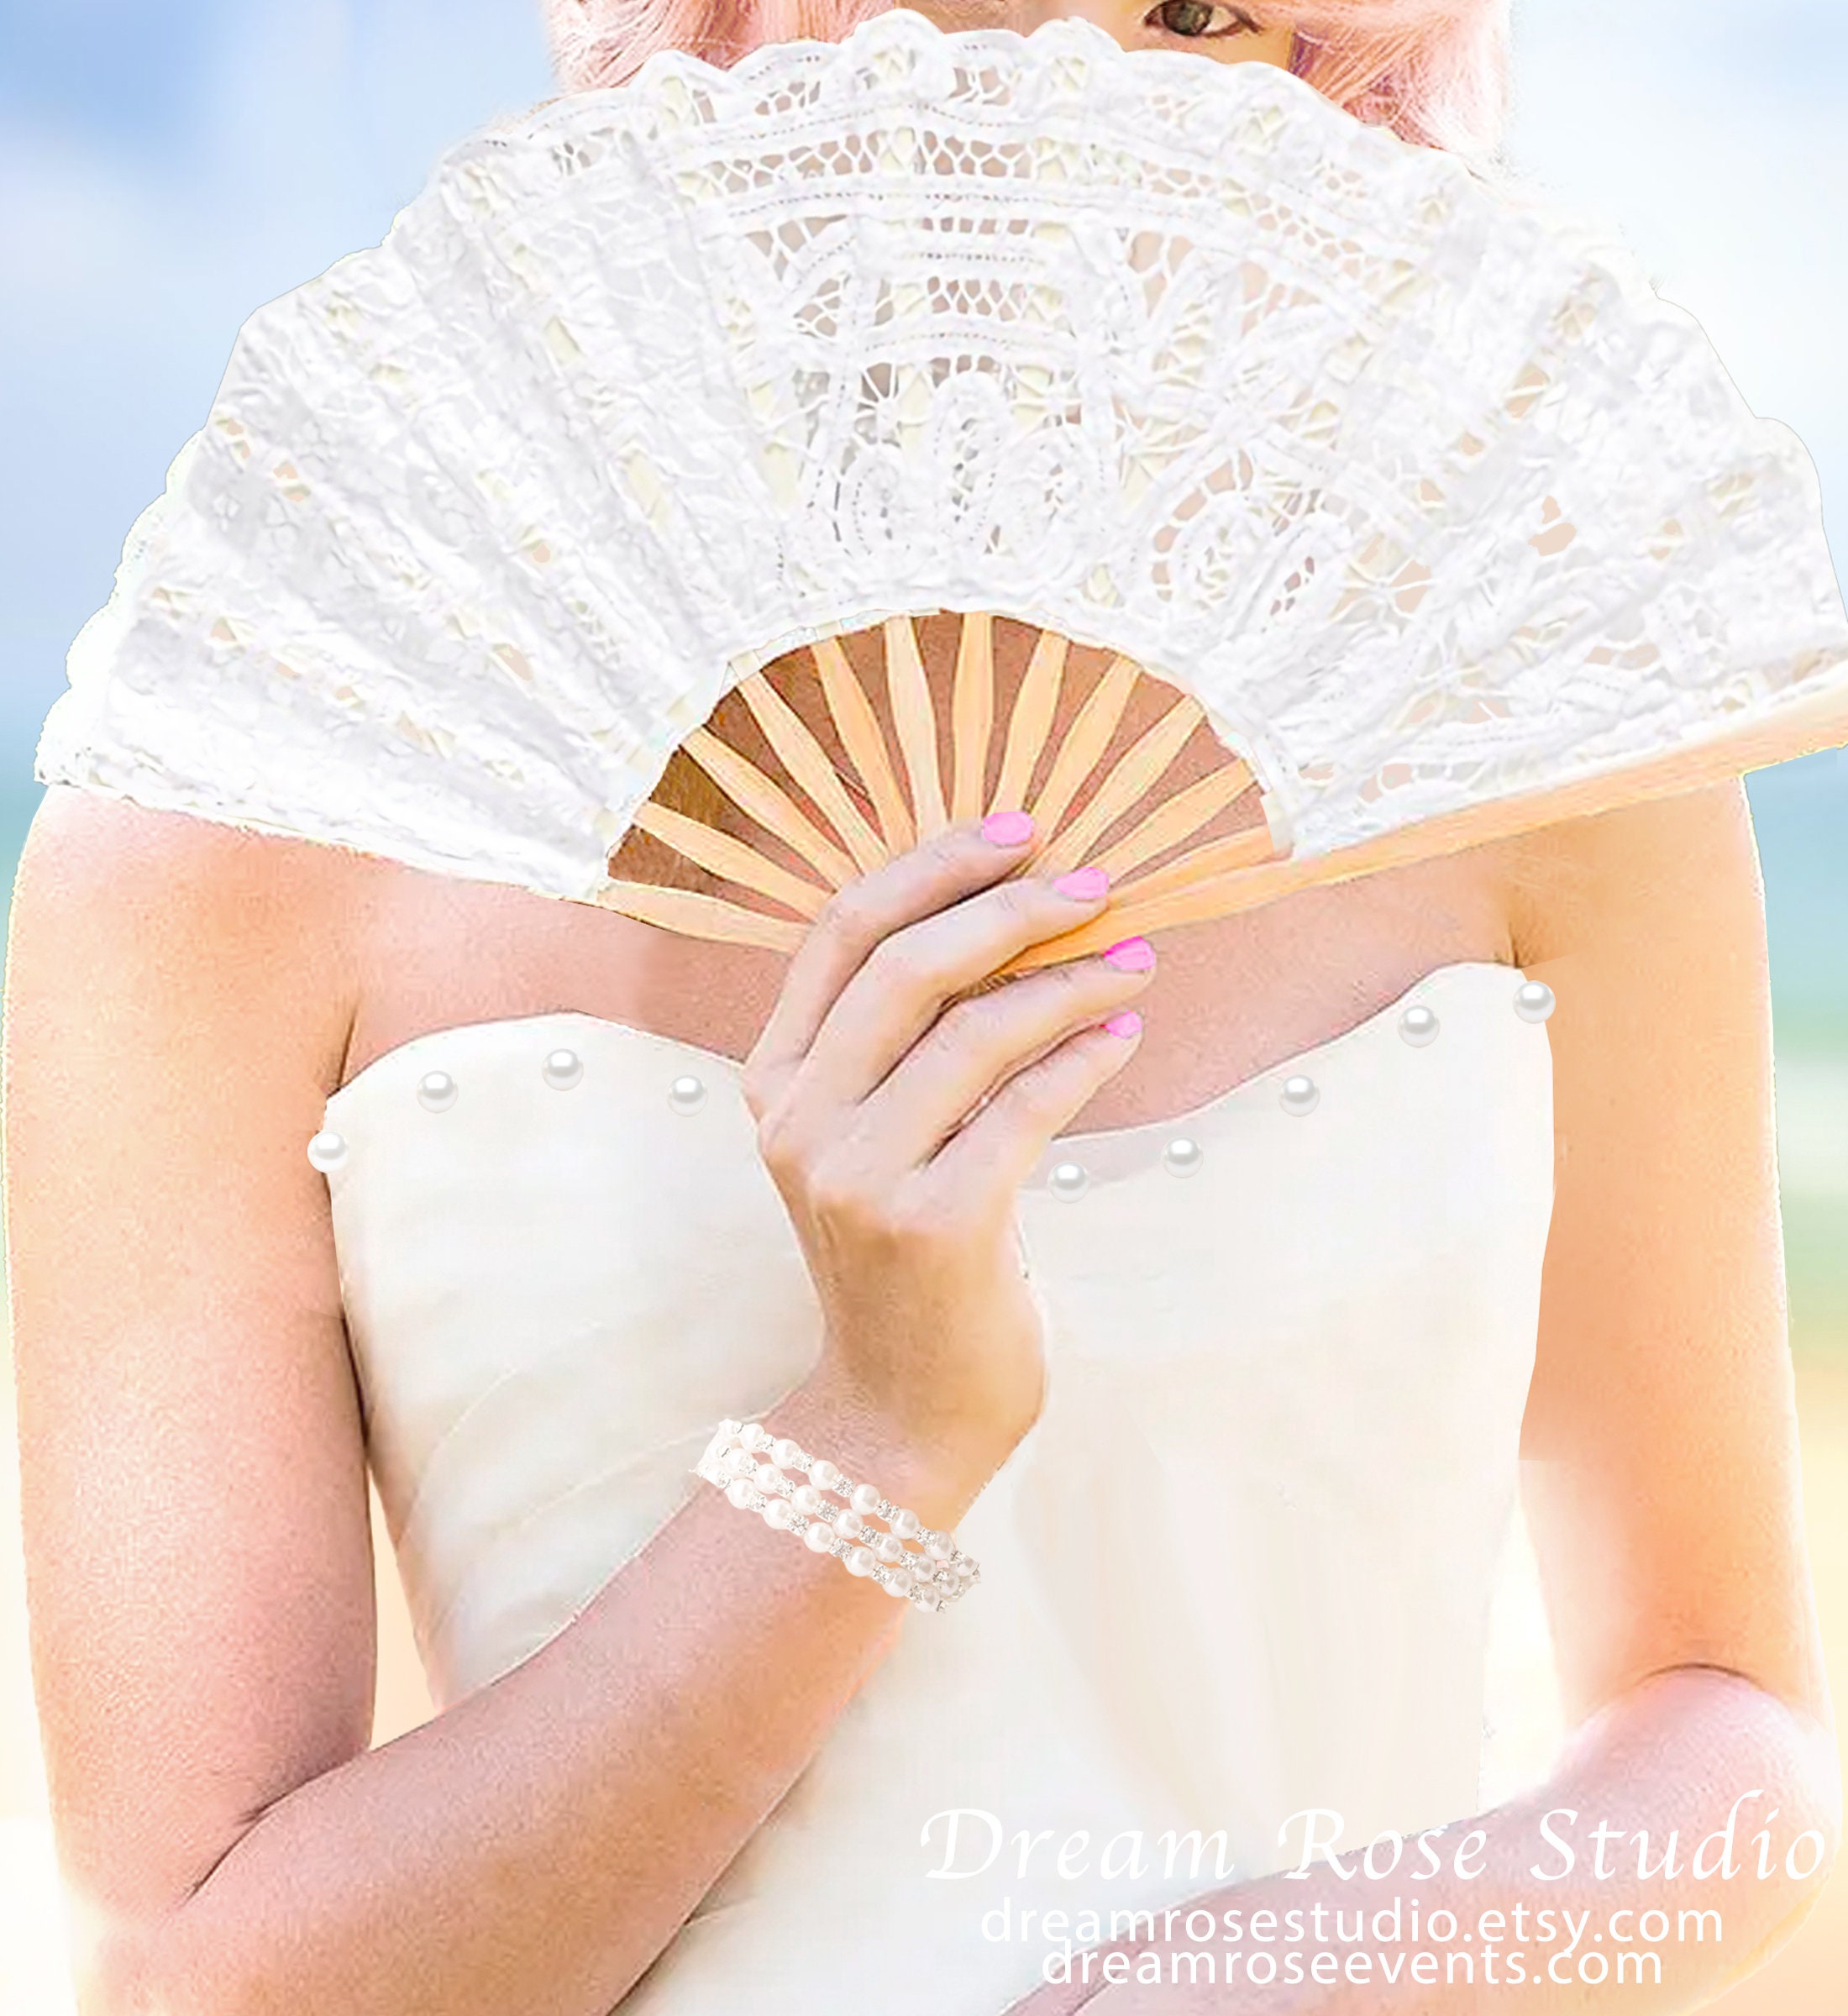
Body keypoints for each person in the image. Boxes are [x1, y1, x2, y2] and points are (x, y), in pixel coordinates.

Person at [4, 3, 1838, 2012]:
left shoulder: (1532, 753)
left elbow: (1732, 1740)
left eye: (1222, 18)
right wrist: (871, 1445)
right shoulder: (246, 836)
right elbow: (196, 1979)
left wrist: (1258, 1986)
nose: (1134, 107)